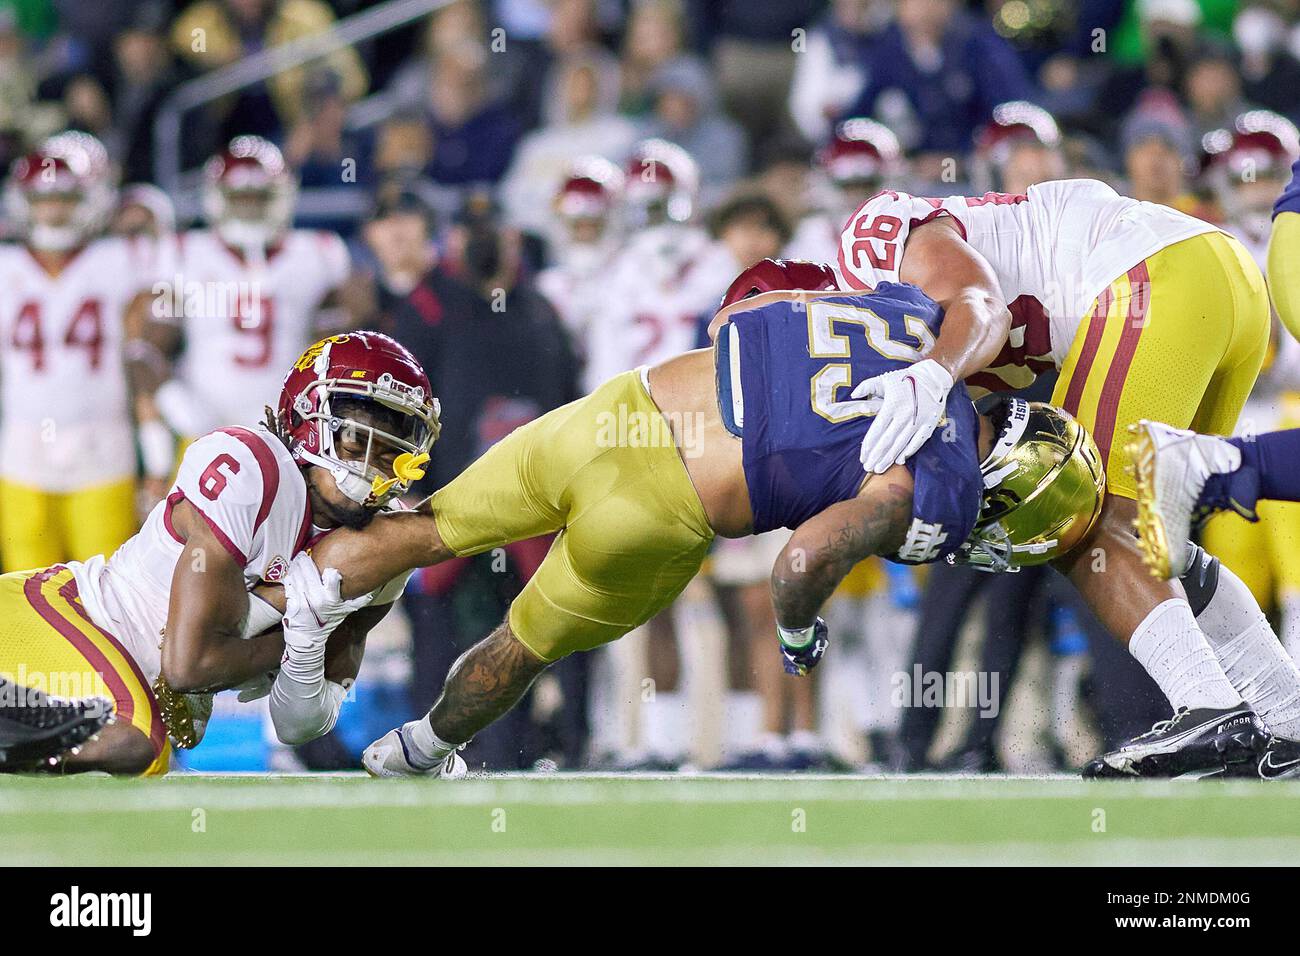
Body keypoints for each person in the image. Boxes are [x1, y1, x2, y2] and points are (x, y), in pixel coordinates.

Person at [253, 260, 1245, 780]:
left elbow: (772, 317)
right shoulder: (933, 475)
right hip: (665, 508)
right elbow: (801, 558)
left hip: (622, 407)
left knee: (431, 524)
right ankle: (420, 746)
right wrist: (799, 626)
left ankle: (299, 601)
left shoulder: (912, 316)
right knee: (523, 639)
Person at [832, 176, 1300, 777]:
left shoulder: (863, 255)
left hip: (1150, 276)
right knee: (1159, 539)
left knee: (1082, 518)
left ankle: (1208, 707)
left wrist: (932, 372)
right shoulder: (872, 356)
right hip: (1220, 282)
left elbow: (980, 304)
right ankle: (1286, 720)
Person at [0, 331, 434, 774]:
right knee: (130, 745)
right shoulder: (254, 468)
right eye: (356, 442)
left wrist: (307, 638)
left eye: (390, 453)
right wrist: (293, 621)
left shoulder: (381, 549)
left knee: (121, 773)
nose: (370, 468)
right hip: (62, 616)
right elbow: (189, 666)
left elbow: (298, 725)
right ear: (306, 420)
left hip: (113, 670)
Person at [126, 136, 353, 501]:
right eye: (239, 198)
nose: (248, 208)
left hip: (288, 436)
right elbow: (148, 347)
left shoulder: (319, 253)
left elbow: (339, 353)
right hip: (203, 430)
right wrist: (172, 398)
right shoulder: (185, 251)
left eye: (258, 197)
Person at [0, 132, 160, 572]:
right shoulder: (7, 265)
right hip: (21, 454)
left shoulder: (122, 259)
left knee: (105, 598)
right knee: (22, 594)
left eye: (66, 199)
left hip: (102, 452)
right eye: (43, 200)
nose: (53, 211)